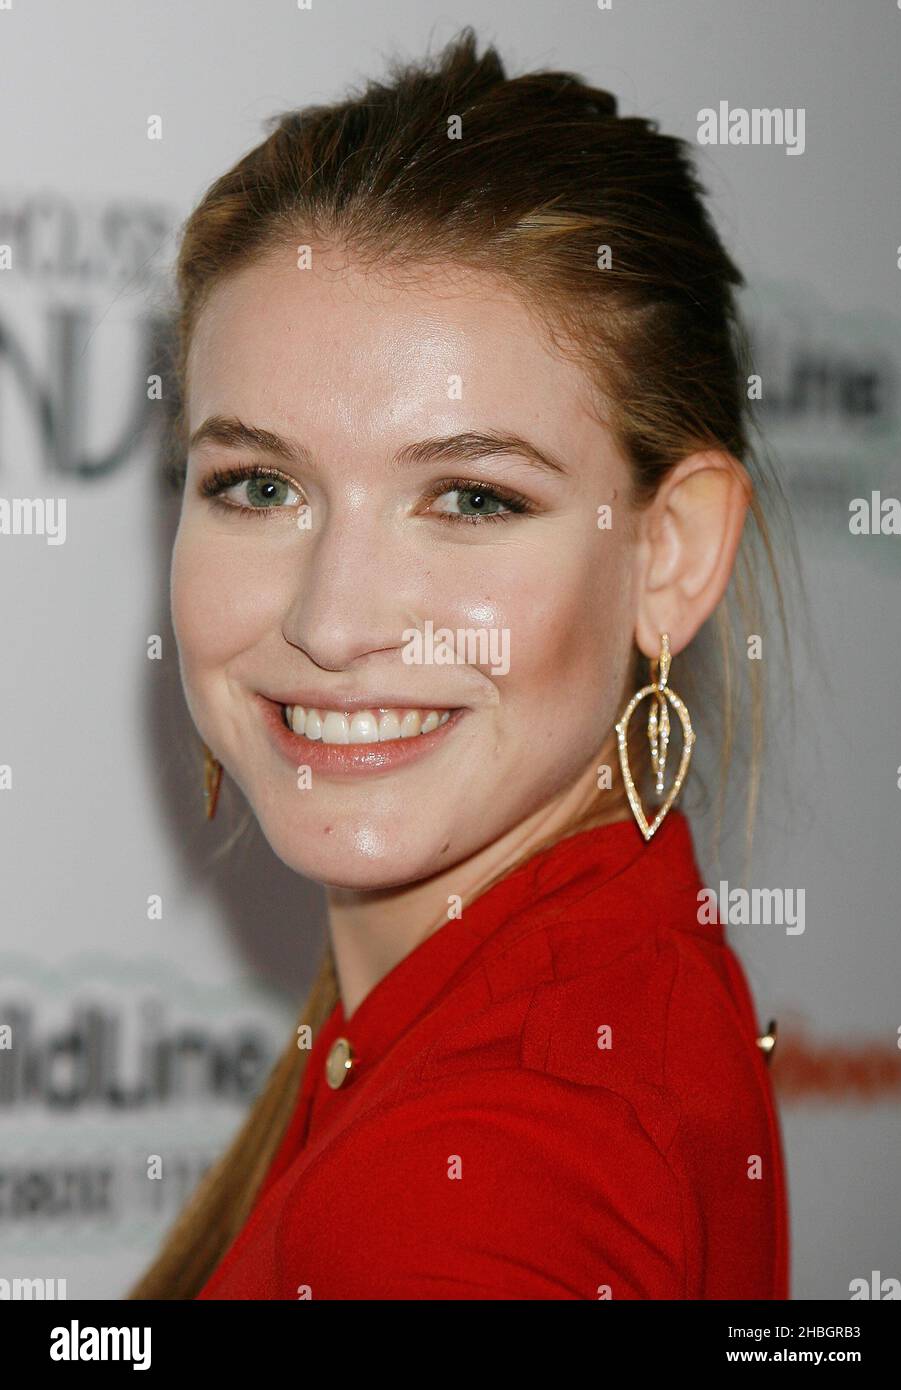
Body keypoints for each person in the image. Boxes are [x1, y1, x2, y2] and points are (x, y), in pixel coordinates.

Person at [128, 27, 791, 1300]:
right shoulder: (571, 984)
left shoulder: (473, 1189)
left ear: (669, 554)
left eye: (472, 499)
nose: (332, 621)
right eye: (257, 484)